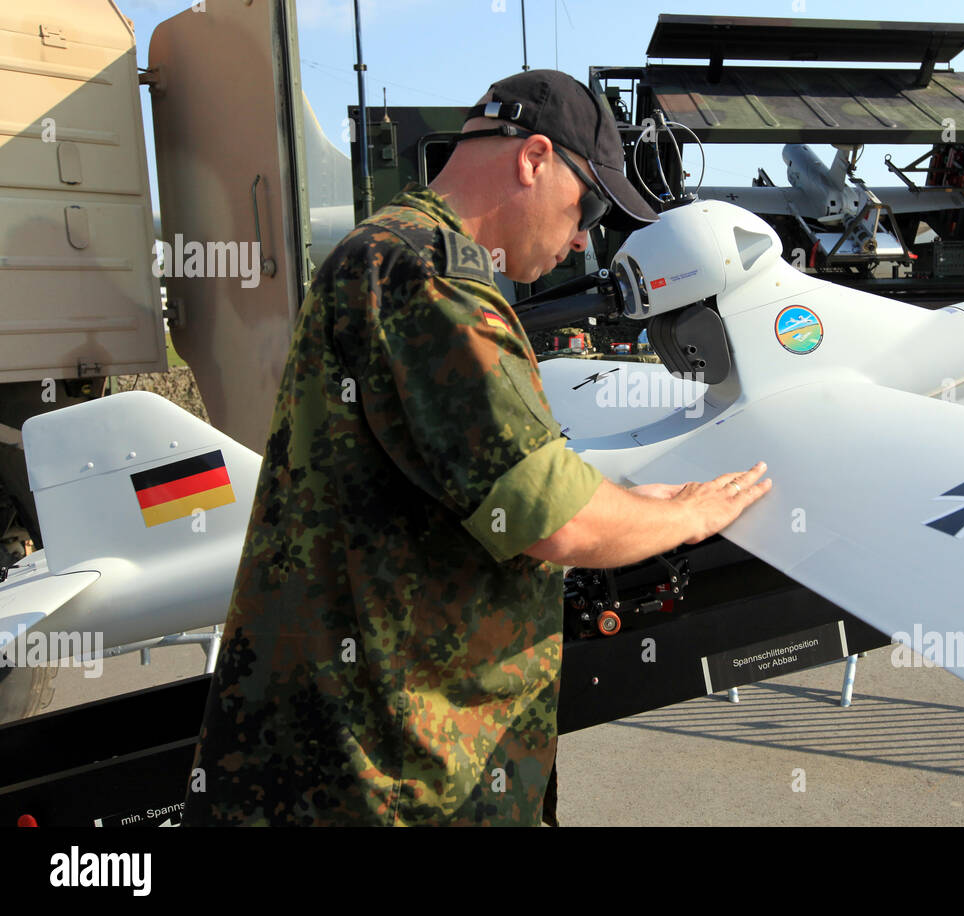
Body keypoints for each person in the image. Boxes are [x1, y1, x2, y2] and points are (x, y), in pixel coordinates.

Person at [181, 70, 772, 826]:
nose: (584, 236)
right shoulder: (430, 275)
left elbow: (484, 477)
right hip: (386, 780)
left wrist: (632, 504)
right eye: (588, 203)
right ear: (532, 159)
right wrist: (690, 514)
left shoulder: (388, 251)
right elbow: (558, 519)